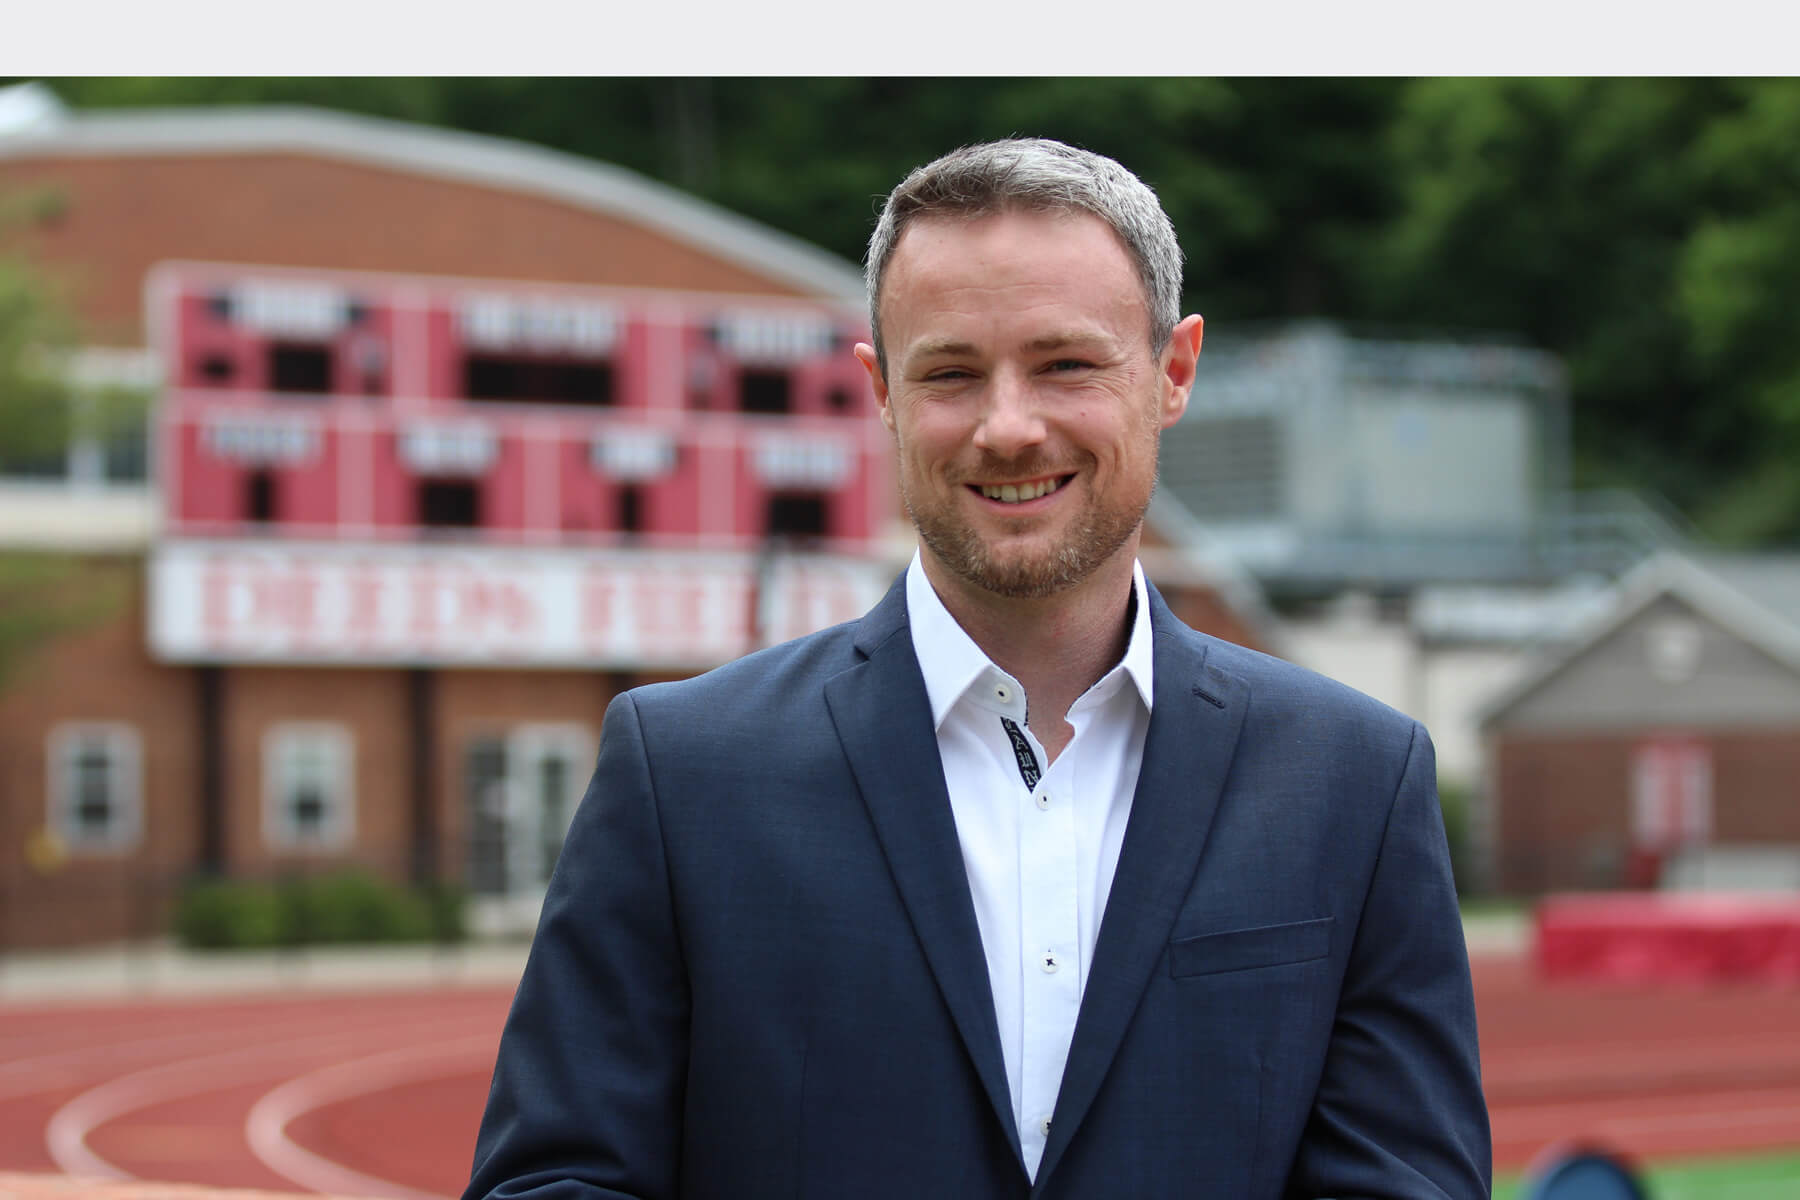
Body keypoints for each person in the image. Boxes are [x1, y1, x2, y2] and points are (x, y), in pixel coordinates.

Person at [464, 138, 1491, 1200]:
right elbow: (556, 1184)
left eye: (1067, 365)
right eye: (951, 373)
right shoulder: (684, 774)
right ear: (881, 392)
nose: (1009, 427)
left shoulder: (1356, 783)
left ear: (1173, 373)